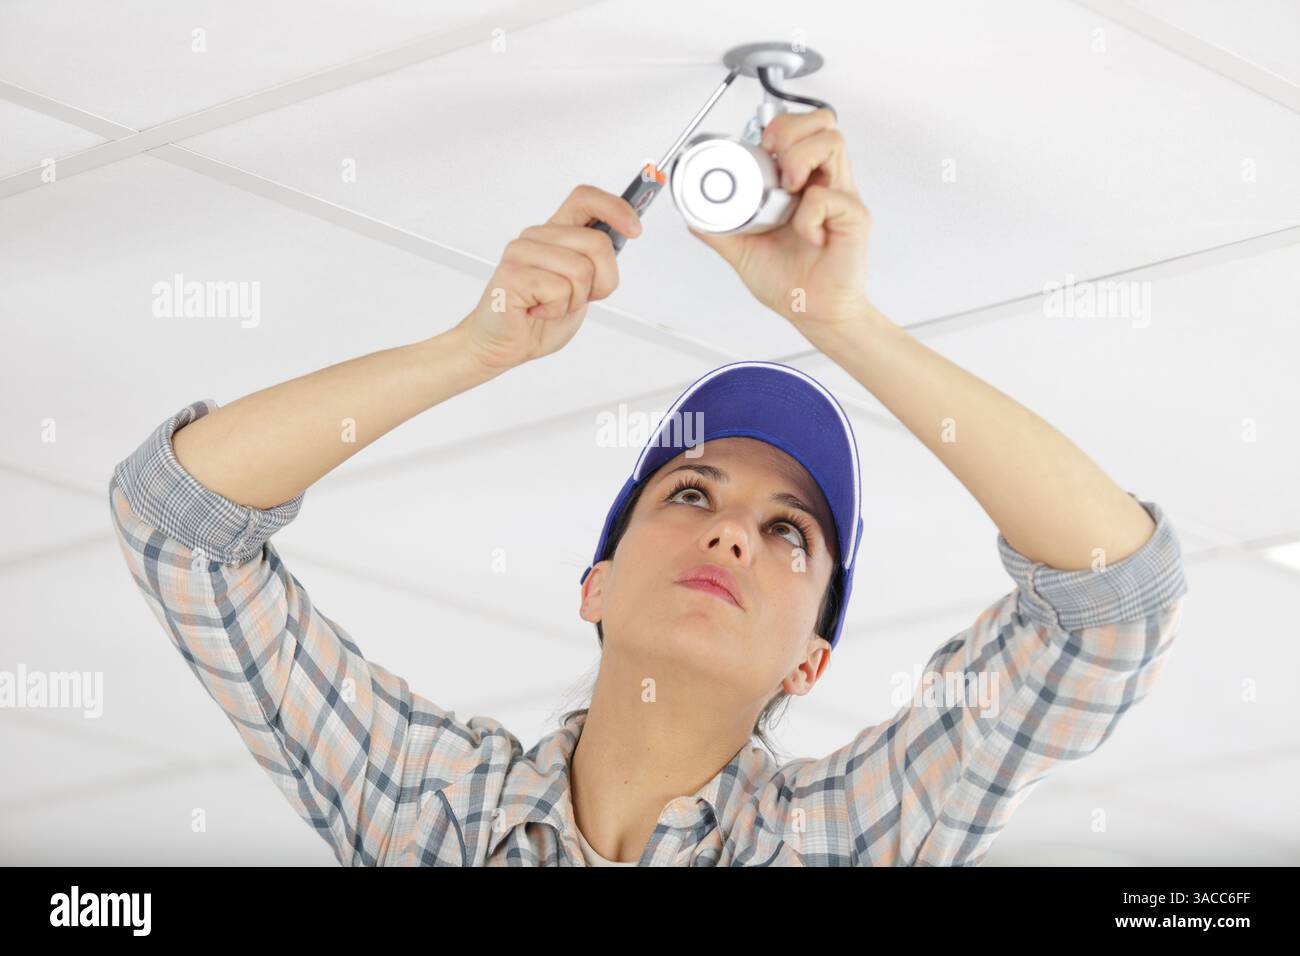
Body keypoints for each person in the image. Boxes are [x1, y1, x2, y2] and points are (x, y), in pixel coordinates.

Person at [108, 107, 1187, 866]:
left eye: (788, 534)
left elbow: (1113, 604)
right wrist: (472, 350)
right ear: (595, 584)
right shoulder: (431, 808)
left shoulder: (841, 835)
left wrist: (840, 323)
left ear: (810, 659)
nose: (730, 538)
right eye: (690, 494)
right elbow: (177, 522)